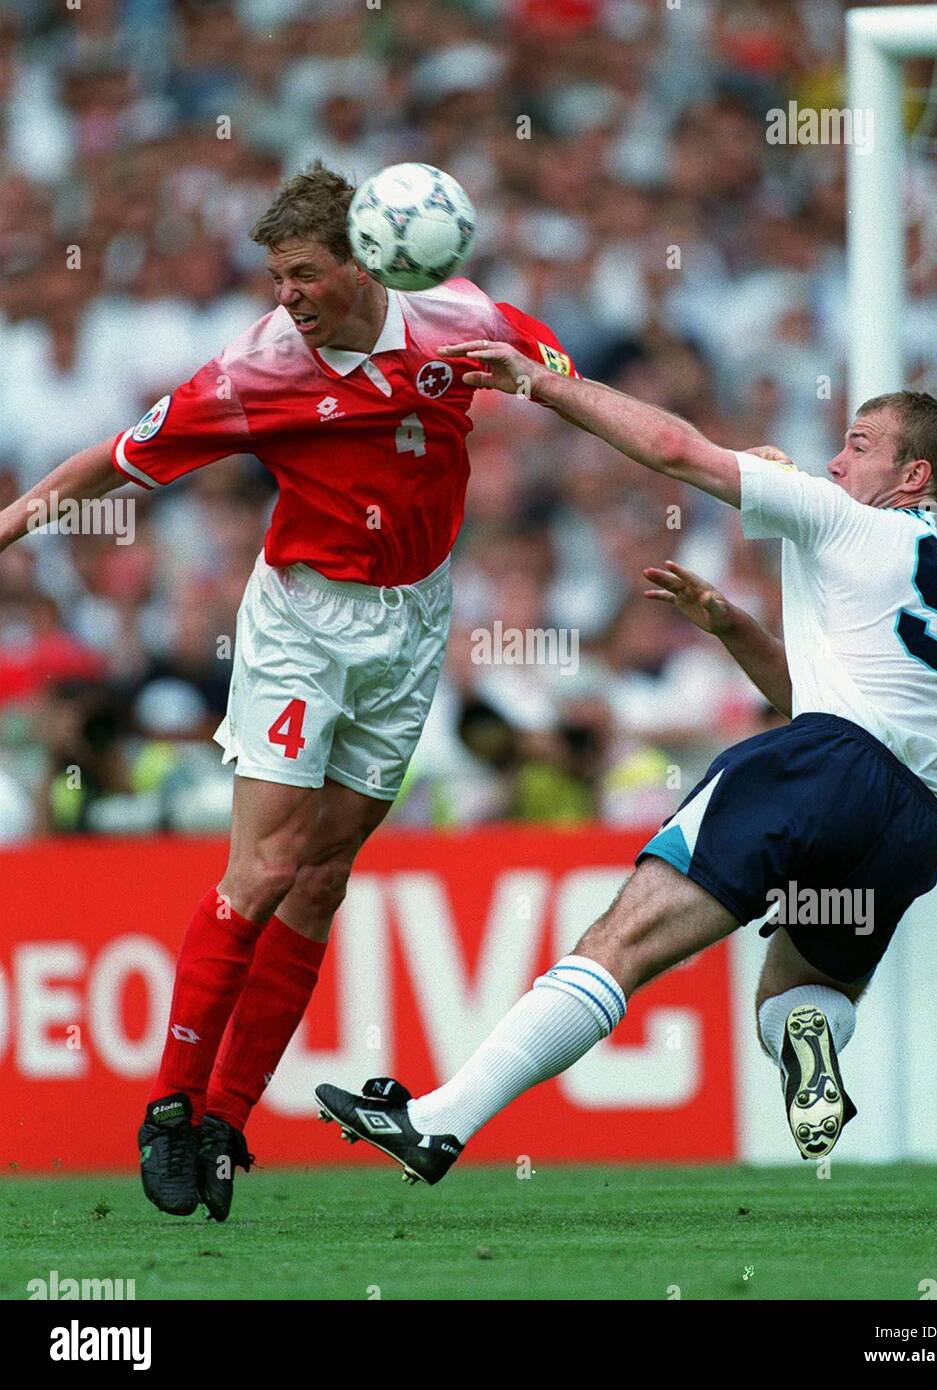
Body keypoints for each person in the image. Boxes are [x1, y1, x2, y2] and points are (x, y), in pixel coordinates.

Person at [0, 164, 576, 1219]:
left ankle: (228, 1116)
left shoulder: (457, 316)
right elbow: (106, 462)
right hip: (302, 626)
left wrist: (705, 457)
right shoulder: (256, 369)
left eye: (303, 274)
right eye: (275, 277)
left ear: (365, 261)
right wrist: (8, 526)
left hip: (412, 624)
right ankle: (169, 1108)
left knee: (321, 878)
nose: (287, 296)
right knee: (264, 866)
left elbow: (565, 383)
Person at [315, 344, 937, 1185]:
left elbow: (677, 451)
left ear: (913, 473)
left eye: (859, 444)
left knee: (619, 943)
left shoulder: (842, 517)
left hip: (817, 766)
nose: (834, 457)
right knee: (793, 998)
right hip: (903, 825)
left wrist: (542, 385)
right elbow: (824, 696)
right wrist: (730, 626)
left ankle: (436, 1122)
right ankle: (808, 1043)